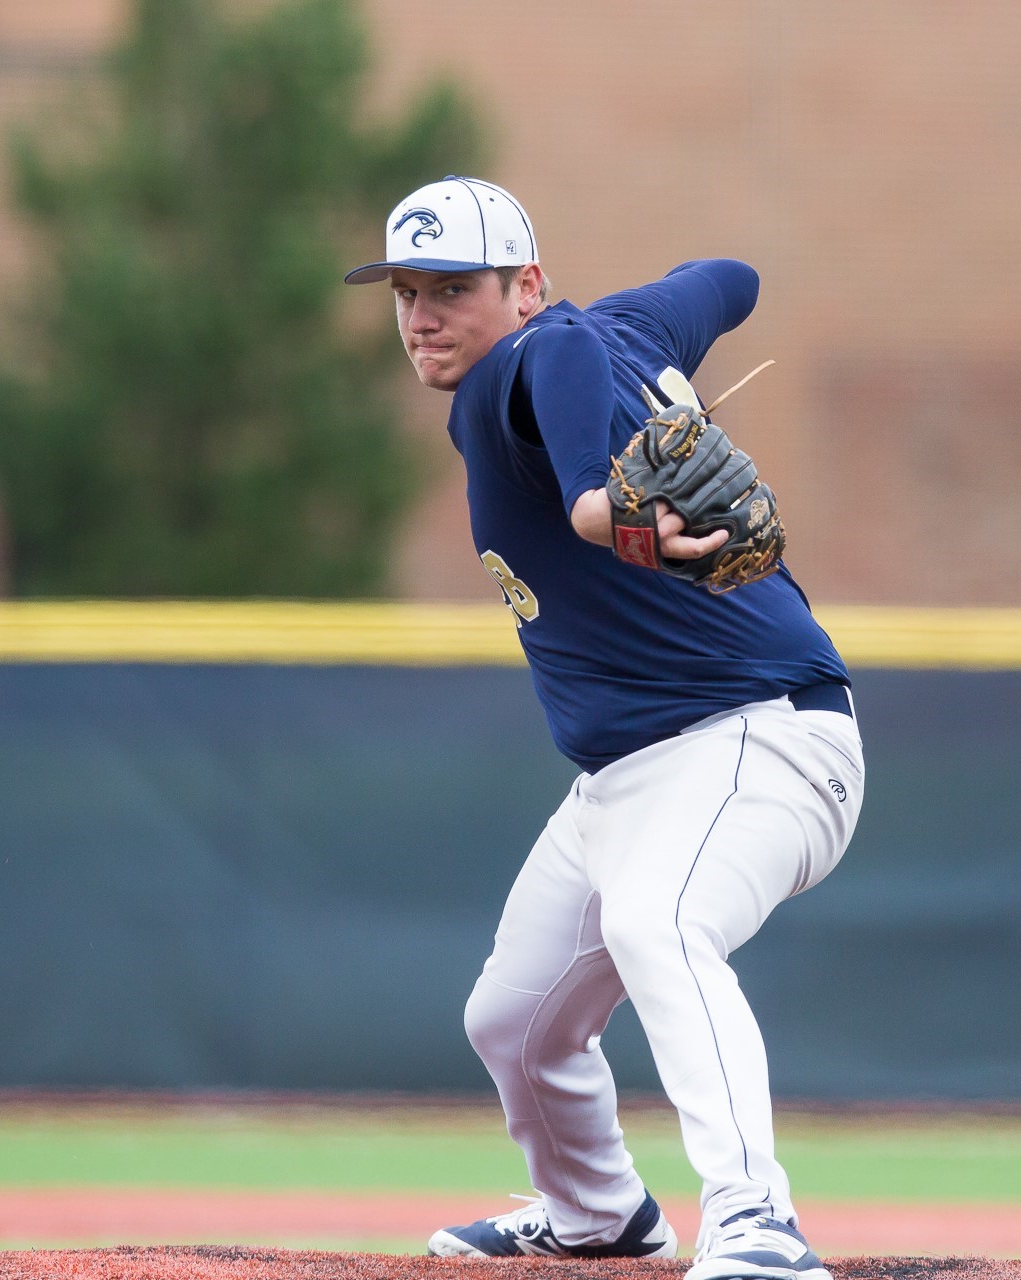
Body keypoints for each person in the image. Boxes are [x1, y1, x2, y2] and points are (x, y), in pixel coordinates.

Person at [344, 176, 864, 1280]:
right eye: (405, 290)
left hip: (758, 736)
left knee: (660, 923)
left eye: (454, 286)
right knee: (515, 1017)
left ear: (525, 285)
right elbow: (731, 281)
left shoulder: (529, 361)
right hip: (632, 774)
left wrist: (599, 501)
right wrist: (664, 364)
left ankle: (756, 1216)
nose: (423, 315)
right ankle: (598, 1211)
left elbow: (565, 384)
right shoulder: (628, 329)